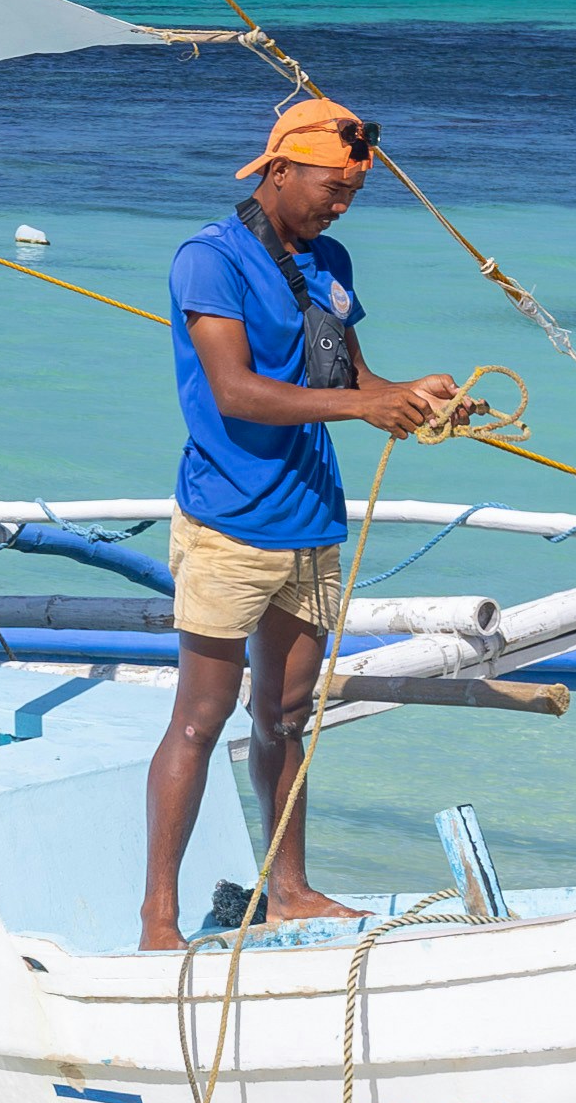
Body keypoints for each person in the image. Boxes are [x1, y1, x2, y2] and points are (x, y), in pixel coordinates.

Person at [145, 94, 459, 949]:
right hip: (231, 519)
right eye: (329, 186)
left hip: (312, 518)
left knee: (284, 714)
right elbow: (237, 393)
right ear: (278, 172)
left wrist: (413, 398)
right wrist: (367, 406)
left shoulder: (330, 259)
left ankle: (289, 889)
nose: (339, 204)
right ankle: (157, 921)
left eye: (351, 193)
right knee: (201, 719)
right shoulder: (206, 260)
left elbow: (351, 378)